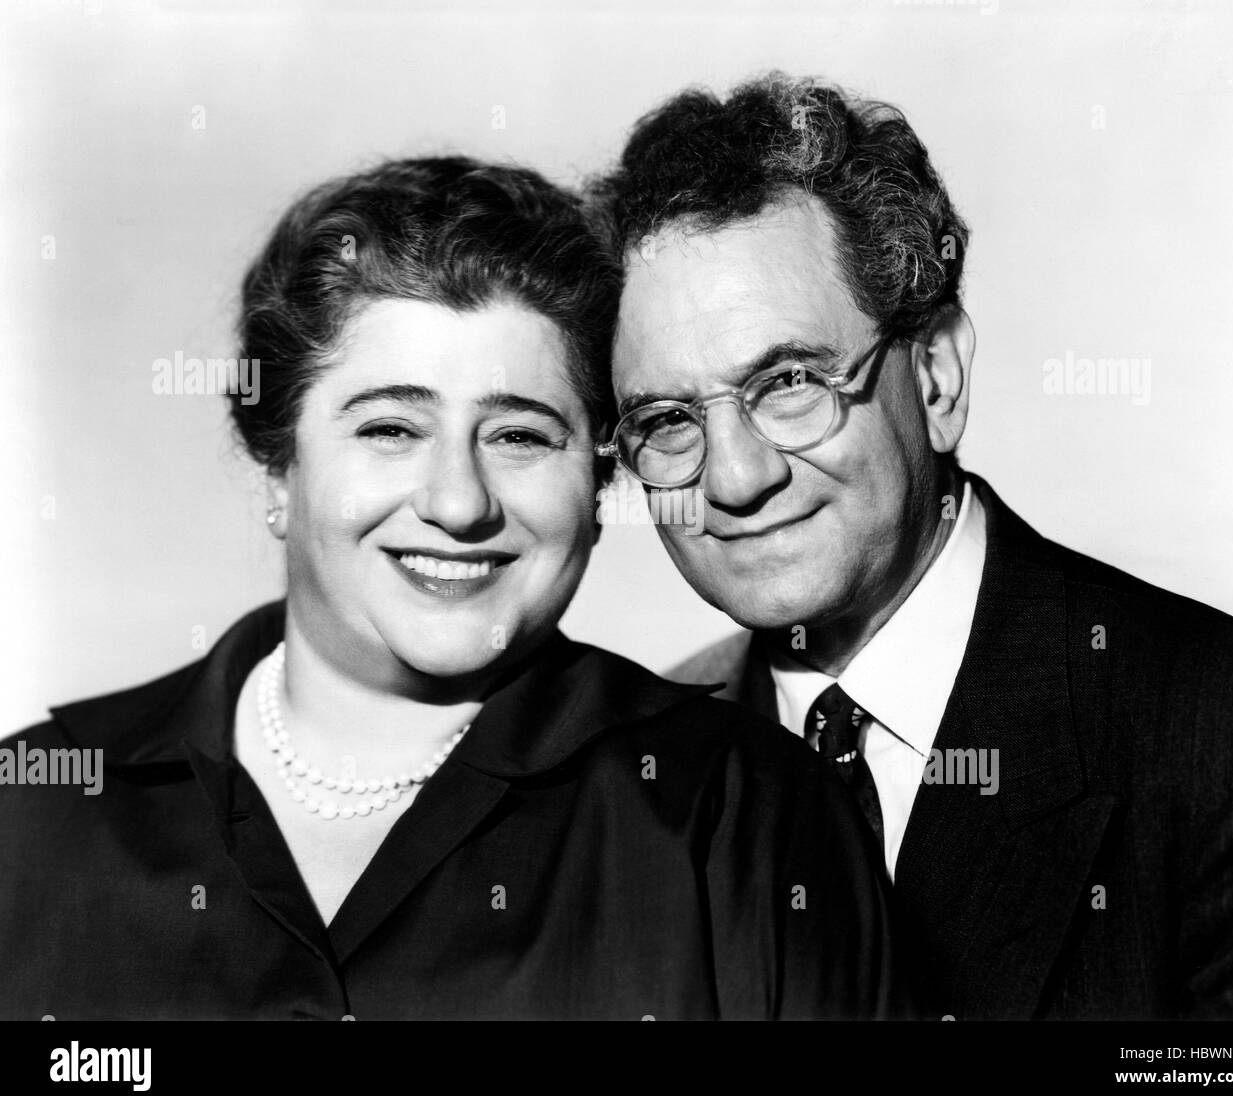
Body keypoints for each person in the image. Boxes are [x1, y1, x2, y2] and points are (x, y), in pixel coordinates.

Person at [0, 155, 898, 1020]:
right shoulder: (35, 806)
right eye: (392, 427)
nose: (458, 502)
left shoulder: (742, 814)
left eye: (520, 436)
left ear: (596, 489)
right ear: (276, 470)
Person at [588, 73, 1233, 1020]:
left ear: (937, 377)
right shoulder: (632, 775)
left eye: (790, 381)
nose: (734, 479)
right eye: (667, 420)